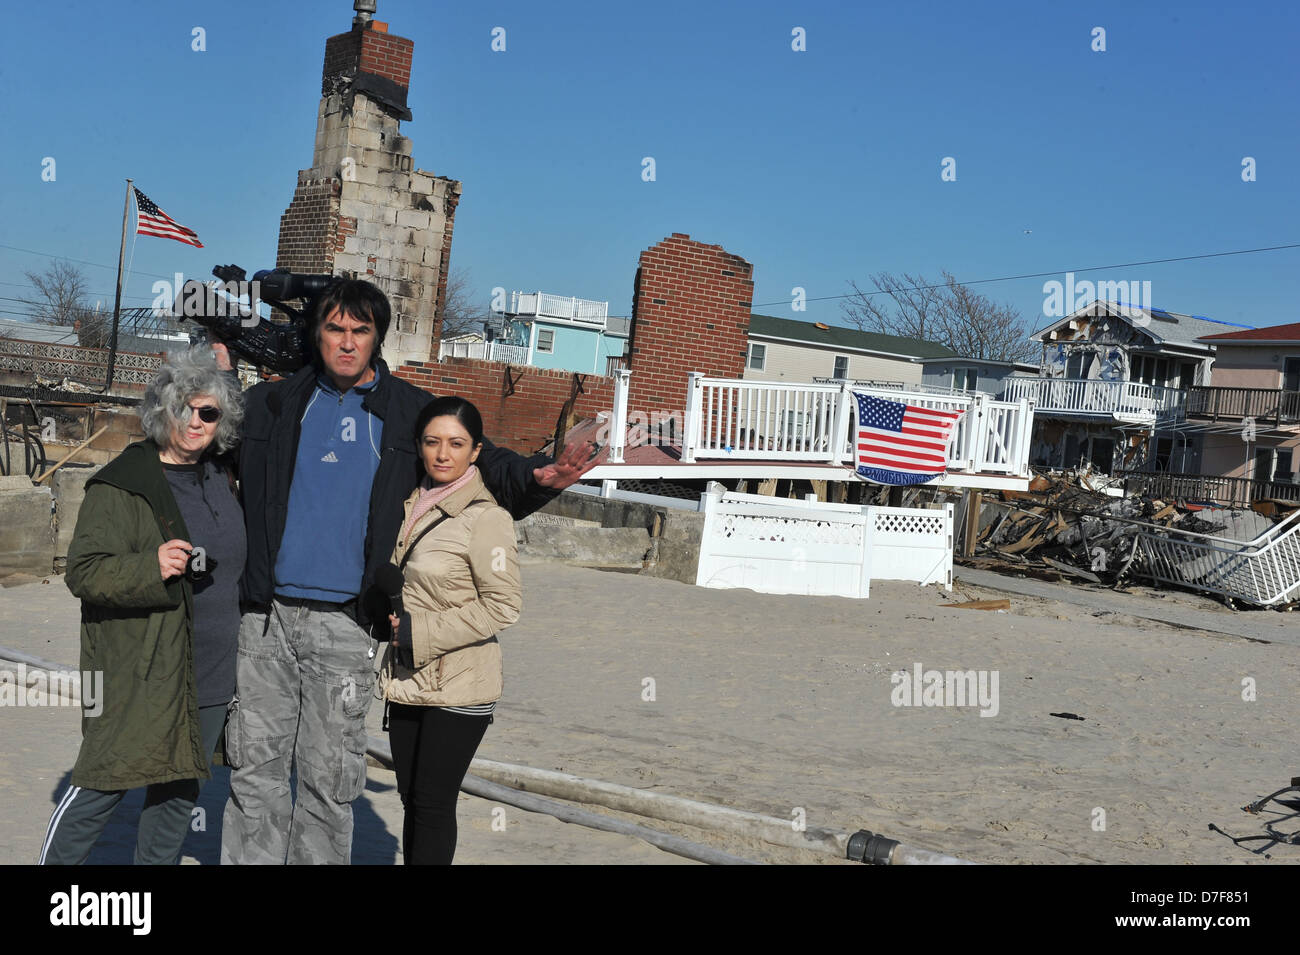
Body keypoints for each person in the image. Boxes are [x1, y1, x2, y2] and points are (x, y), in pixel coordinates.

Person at [218, 279, 595, 865]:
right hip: (265, 619)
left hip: (348, 626)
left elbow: (482, 458)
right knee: (254, 771)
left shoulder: (409, 412)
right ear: (314, 336)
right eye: (335, 330)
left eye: (360, 331)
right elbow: (196, 454)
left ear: (377, 339)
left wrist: (537, 476)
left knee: (327, 780)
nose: (347, 343)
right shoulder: (272, 404)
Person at [40, 347, 245, 864]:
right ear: (161, 411)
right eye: (184, 409)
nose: (196, 422)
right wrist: (147, 566)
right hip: (141, 669)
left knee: (177, 797)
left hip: (211, 672)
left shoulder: (221, 477)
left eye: (209, 412)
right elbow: (83, 571)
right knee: (102, 784)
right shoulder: (122, 483)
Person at [378, 396, 521, 864]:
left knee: (434, 804)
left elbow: (503, 606)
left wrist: (419, 632)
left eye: (456, 444)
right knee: (410, 800)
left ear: (475, 451)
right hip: (406, 678)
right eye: (432, 442)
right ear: (418, 446)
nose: (443, 454)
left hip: (463, 683)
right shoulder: (406, 503)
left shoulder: (488, 519)